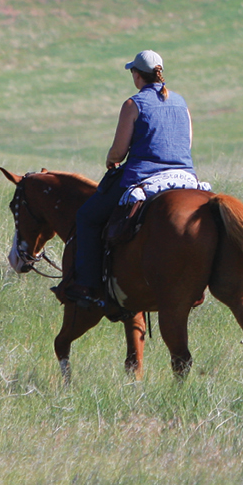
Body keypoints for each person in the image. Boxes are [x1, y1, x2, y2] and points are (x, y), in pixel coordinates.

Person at [59, 49, 197, 316]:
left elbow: (118, 152)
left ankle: (87, 286)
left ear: (137, 75)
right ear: (160, 72)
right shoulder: (181, 102)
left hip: (143, 176)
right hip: (185, 177)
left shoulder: (133, 104)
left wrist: (110, 159)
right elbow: (187, 143)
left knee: (87, 216)